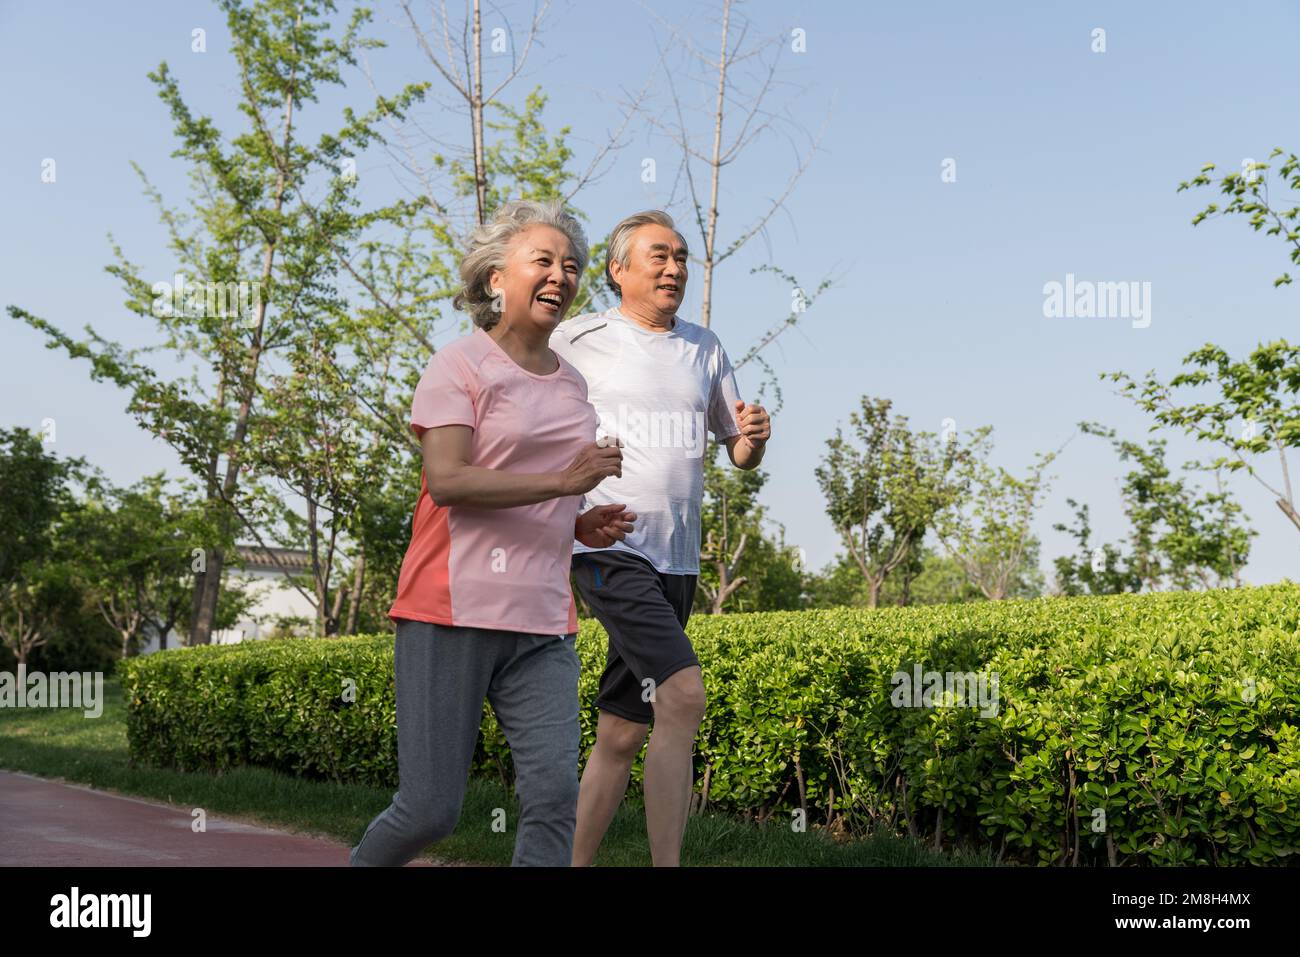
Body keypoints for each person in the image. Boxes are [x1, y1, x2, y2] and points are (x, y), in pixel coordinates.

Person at [350, 199, 636, 867]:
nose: (561, 276)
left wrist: (582, 523)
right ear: (494, 279)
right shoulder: (458, 366)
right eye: (543, 261)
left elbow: (546, 500)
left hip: (541, 621)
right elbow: (449, 481)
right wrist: (565, 485)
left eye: (571, 266)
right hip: (450, 610)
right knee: (430, 809)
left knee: (554, 794)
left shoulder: (573, 387)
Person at [550, 210, 772, 867]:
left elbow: (739, 452)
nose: (674, 268)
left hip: (678, 559)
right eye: (659, 256)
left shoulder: (706, 346)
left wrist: (754, 439)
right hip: (606, 548)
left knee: (622, 730)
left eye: (681, 257)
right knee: (684, 695)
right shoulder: (577, 338)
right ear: (619, 269)